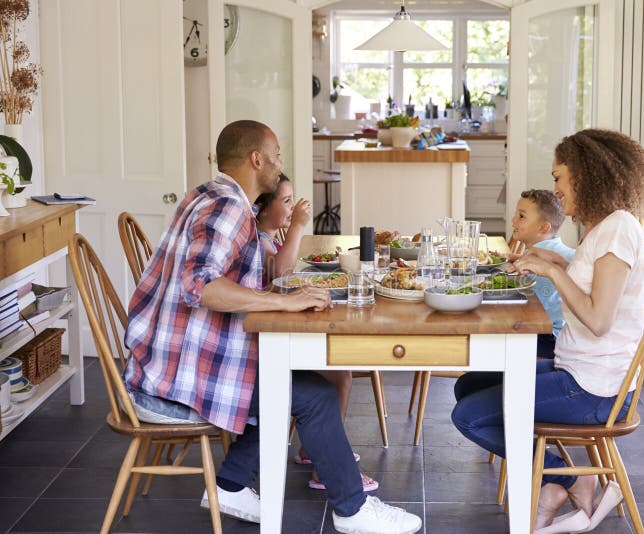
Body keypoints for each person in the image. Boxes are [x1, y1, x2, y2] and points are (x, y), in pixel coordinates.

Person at [124, 120, 421, 534]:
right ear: (256, 159)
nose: (280, 163)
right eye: (277, 155)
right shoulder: (228, 206)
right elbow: (201, 286)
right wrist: (283, 301)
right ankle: (353, 511)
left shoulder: (209, 194)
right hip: (173, 376)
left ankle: (228, 485)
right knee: (314, 395)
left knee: (290, 380)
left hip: (167, 360)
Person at [451, 128, 644, 533]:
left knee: (468, 416)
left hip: (596, 388)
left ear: (586, 174)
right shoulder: (606, 227)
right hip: (581, 371)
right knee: (469, 385)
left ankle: (566, 478)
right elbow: (592, 283)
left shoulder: (617, 230)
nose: (556, 188)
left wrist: (549, 270)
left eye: (559, 176)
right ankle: (570, 479)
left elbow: (598, 319)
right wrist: (557, 262)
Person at [254, 175, 376, 492]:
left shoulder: (266, 236)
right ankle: (327, 466)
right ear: (263, 208)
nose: (293, 207)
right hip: (266, 343)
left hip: (274, 329)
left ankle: (314, 450)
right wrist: (297, 226)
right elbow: (279, 273)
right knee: (339, 375)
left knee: (338, 371)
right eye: (286, 201)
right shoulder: (260, 240)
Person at [507, 189, 575, 356]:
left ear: (544, 227)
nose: (513, 220)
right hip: (558, 334)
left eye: (521, 216)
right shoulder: (560, 252)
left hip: (549, 338)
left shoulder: (540, 261)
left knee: (489, 337)